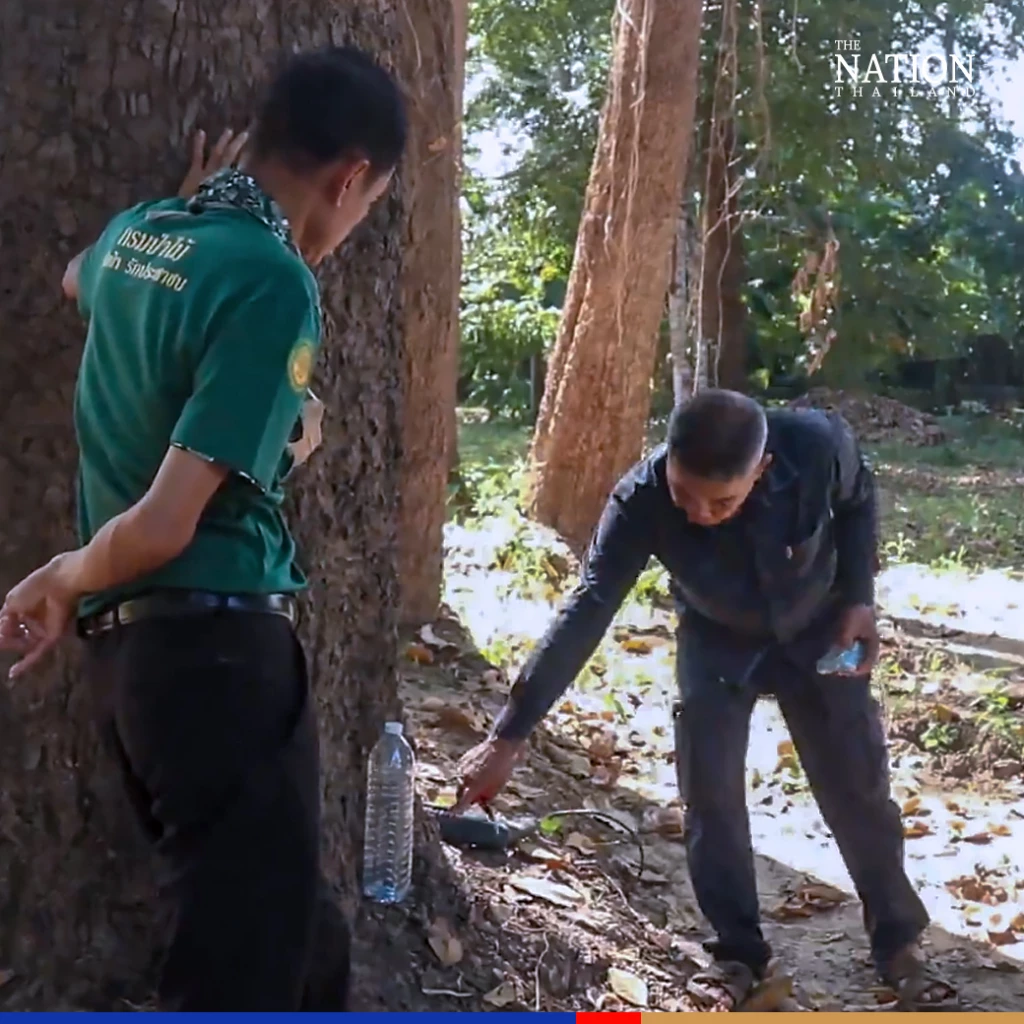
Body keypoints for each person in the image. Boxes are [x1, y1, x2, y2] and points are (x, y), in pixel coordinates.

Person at [0, 46, 406, 1010]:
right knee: (237, 977)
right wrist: (66, 573)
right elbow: (166, 523)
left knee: (299, 940)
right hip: (215, 655)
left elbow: (75, 278)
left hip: (136, 673)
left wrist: (185, 213)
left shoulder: (143, 234)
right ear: (350, 179)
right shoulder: (274, 282)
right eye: (367, 202)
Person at [455, 390, 955, 1010]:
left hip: (821, 632)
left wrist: (860, 597)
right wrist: (510, 735)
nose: (699, 514)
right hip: (716, 642)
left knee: (858, 786)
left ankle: (899, 945)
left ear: (764, 467)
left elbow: (856, 500)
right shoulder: (640, 501)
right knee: (710, 793)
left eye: (722, 500)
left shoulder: (817, 445)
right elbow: (588, 610)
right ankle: (737, 954)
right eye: (684, 493)